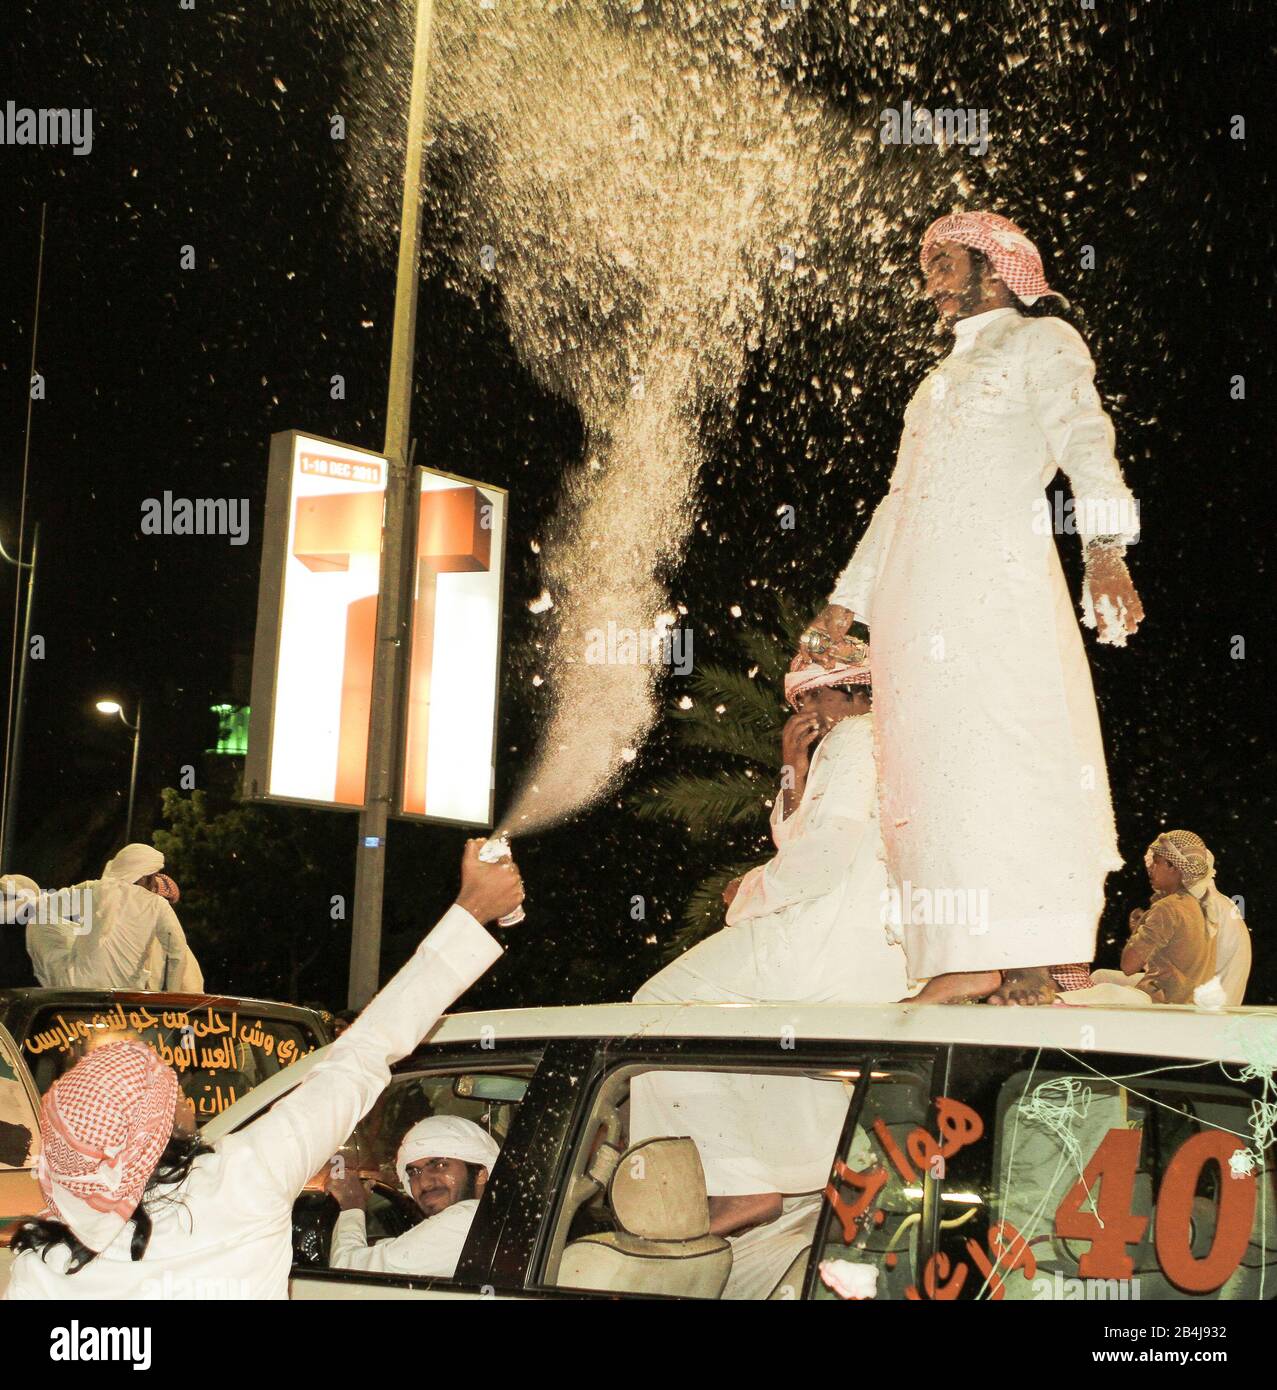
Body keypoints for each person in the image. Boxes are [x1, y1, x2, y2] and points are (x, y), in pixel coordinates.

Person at [796, 209, 1143, 1007]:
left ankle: (1024, 951)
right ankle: (963, 953)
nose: (929, 281)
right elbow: (897, 499)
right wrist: (841, 606)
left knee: (1004, 757)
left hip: (996, 591)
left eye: (944, 262)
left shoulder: (1041, 344)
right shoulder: (934, 383)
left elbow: (1086, 443)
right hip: (915, 603)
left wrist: (1104, 550)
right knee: (928, 771)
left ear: (997, 267)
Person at [3, 839, 523, 1300]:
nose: (186, 1095)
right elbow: (366, 1049)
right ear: (156, 1131)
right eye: (170, 1092)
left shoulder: (41, 1261)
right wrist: (471, 909)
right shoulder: (244, 1176)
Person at [630, 647, 909, 1280]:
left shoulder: (859, 736)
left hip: (818, 945)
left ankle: (738, 1181)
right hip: (876, 962)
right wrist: (792, 764)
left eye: (808, 699)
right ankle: (780, 1177)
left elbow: (820, 856)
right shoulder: (887, 743)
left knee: (654, 1006)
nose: (801, 712)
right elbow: (797, 833)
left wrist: (747, 893)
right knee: (765, 1038)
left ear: (848, 692)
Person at [326, 1115, 500, 1278]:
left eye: (440, 1165)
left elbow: (346, 1272)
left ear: (481, 1174)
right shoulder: (490, 1219)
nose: (424, 1183)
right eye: (414, 1172)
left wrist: (352, 1204)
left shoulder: (465, 1218)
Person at [23, 844, 199, 992]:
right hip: (128, 994)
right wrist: (170, 999)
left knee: (40, 921)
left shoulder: (94, 889)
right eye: (153, 879)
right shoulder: (157, 905)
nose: (153, 886)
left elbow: (45, 906)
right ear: (145, 876)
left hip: (77, 986)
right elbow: (178, 954)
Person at [1090, 831, 1216, 1004]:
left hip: (1167, 1001)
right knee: (1100, 976)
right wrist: (1141, 927)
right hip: (1190, 997)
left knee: (1095, 993)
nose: (1150, 869)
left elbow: (1128, 966)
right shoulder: (1198, 904)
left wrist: (1141, 926)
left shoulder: (1167, 908)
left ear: (1173, 866)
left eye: (1156, 862)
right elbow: (1163, 957)